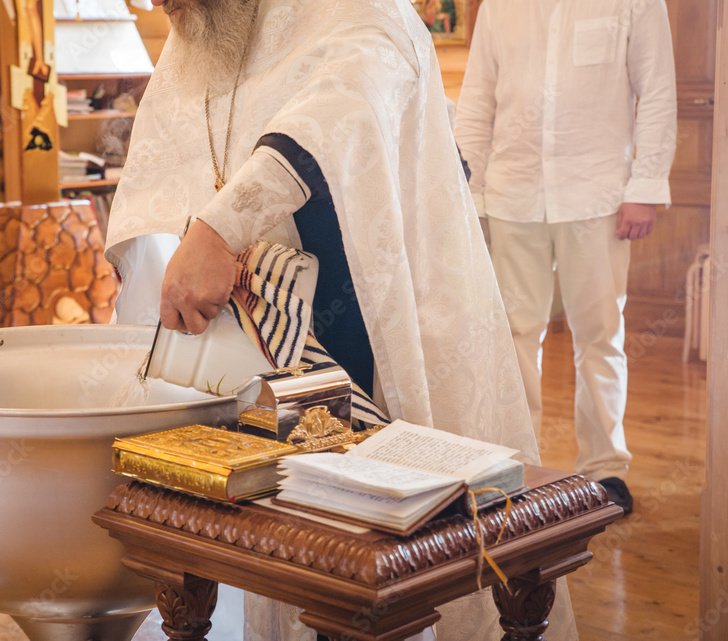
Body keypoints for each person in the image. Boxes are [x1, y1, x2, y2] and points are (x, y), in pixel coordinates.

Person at [103, 0, 578, 638]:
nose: (159, 5)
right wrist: (146, 260)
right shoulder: (202, 27)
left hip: (365, 324)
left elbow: (346, 101)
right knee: (262, 554)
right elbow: (161, 155)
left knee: (370, 560)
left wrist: (223, 229)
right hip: (240, 353)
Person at [454, 0, 677, 515]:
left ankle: (605, 469)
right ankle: (517, 463)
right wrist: (470, 195)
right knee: (513, 336)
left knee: (600, 333)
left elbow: (658, 91)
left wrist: (644, 187)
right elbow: (477, 101)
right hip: (513, 194)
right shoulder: (498, 8)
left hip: (595, 194)